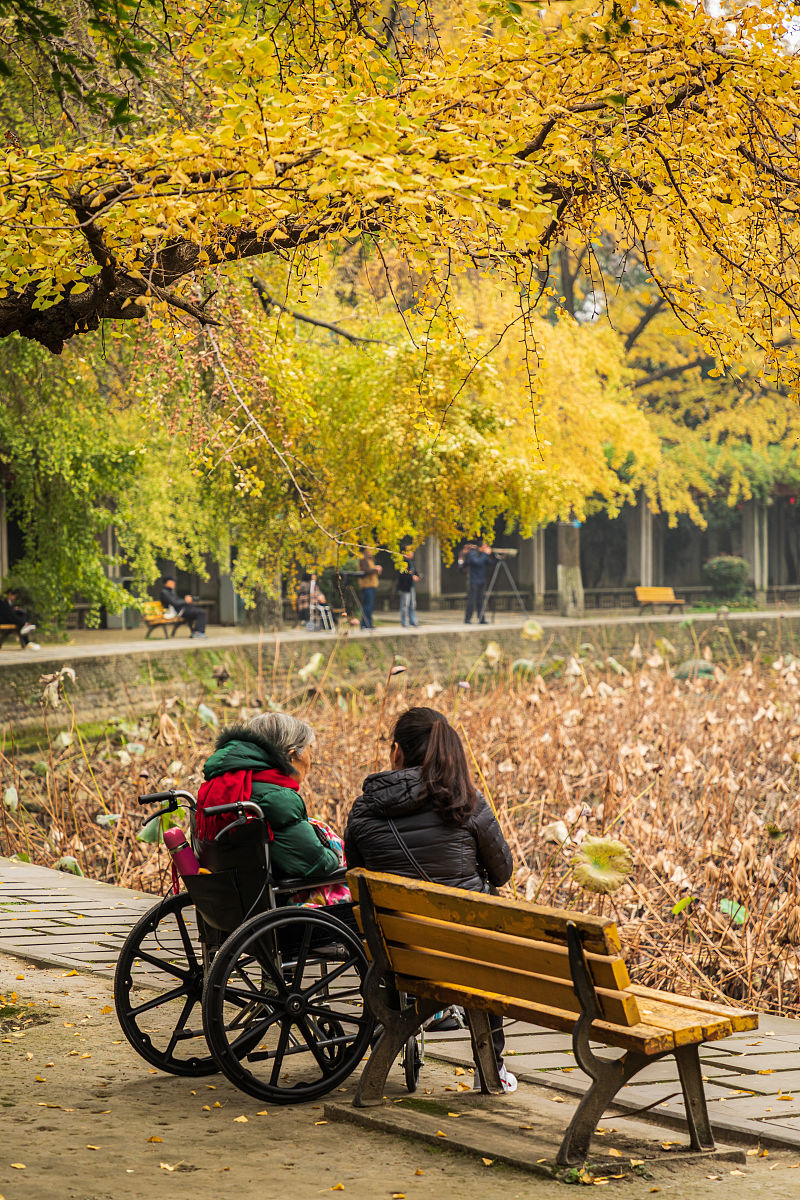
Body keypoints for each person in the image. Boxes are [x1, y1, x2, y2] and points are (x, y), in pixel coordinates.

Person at [345, 706, 516, 1092]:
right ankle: (492, 1068)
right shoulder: (467, 803)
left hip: (394, 952)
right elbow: (503, 873)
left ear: (396, 752)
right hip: (462, 953)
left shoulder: (364, 809)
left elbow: (354, 872)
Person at [198, 711, 342, 883]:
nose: (310, 761)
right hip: (278, 900)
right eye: (310, 750)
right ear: (292, 755)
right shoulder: (275, 797)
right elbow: (316, 863)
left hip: (228, 896)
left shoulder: (222, 785)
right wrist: (337, 854)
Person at [458, 540, 494, 624]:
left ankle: (481, 619)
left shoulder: (483, 555)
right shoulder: (473, 553)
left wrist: (497, 556)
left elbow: (490, 563)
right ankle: (467, 619)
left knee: (480, 601)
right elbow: (477, 562)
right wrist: (485, 554)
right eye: (484, 547)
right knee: (471, 600)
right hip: (473, 580)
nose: (485, 549)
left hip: (481, 580)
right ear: (480, 547)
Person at [357, 546, 382, 630]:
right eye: (370, 550)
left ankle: (367, 624)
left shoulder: (370, 559)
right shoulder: (363, 559)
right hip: (367, 586)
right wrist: (376, 569)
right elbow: (366, 571)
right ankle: (366, 624)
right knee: (367, 606)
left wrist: (376, 569)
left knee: (369, 606)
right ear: (365, 550)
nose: (371, 552)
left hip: (371, 585)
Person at [396, 545, 420, 628]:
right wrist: (412, 577)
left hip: (411, 586)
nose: (412, 553)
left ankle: (413, 621)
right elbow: (403, 575)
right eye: (410, 551)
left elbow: (414, 572)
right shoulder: (402, 562)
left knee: (412, 604)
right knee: (405, 605)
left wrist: (417, 575)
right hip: (405, 587)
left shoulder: (410, 562)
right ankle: (404, 622)